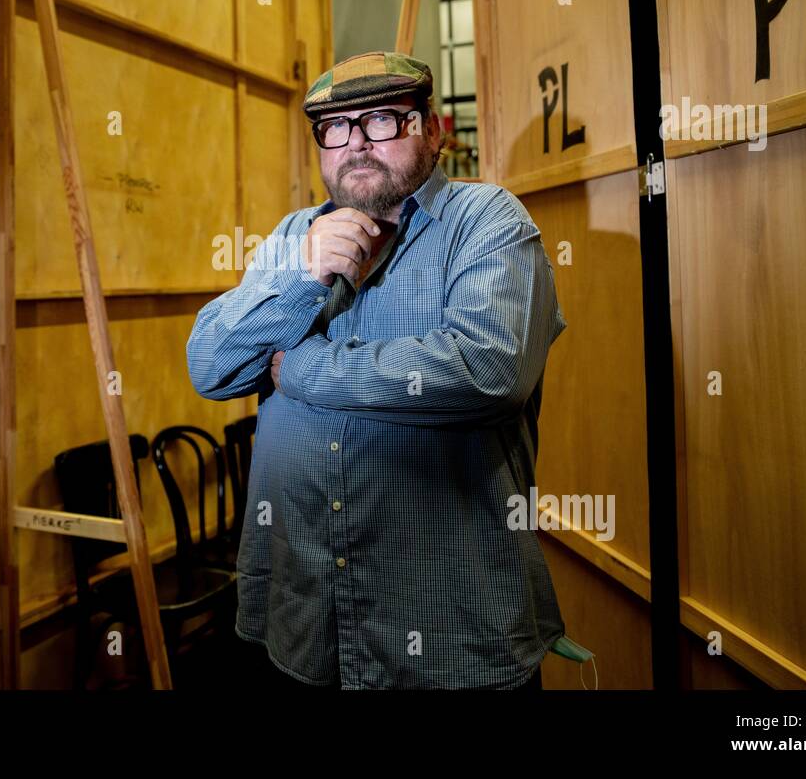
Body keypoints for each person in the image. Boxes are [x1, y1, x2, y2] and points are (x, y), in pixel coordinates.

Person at [186, 50, 565, 689]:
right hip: (310, 625)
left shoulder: (487, 221)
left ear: (432, 130)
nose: (357, 143)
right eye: (335, 127)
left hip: (453, 633)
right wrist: (299, 278)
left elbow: (488, 369)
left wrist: (302, 370)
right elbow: (211, 368)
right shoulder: (291, 239)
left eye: (383, 120)